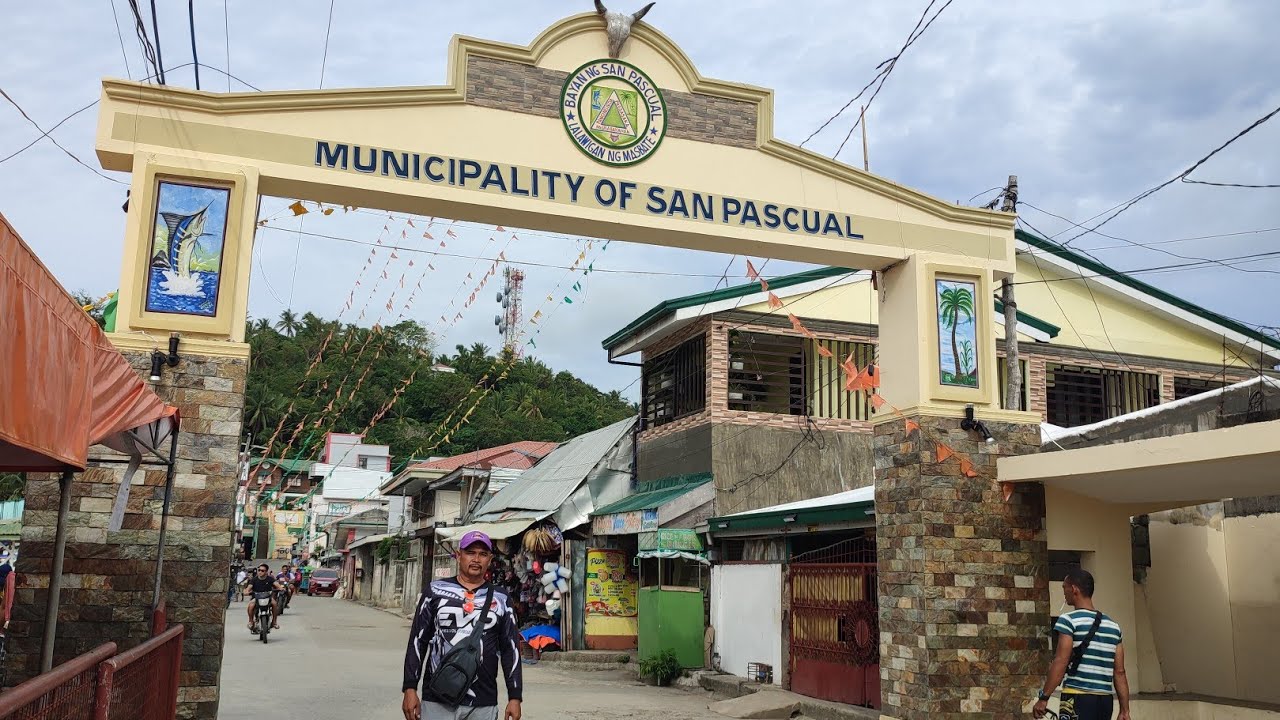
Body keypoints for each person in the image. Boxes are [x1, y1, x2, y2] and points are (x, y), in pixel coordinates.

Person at [402, 531, 522, 720]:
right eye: (470, 552)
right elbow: (418, 641)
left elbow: (510, 649)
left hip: (483, 701)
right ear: (458, 556)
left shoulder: (501, 598)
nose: (476, 559)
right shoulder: (435, 591)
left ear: (490, 559)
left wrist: (515, 697)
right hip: (437, 697)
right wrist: (410, 688)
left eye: (483, 554)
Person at [1033, 568, 1130, 720]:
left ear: (1074, 589)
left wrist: (1044, 697)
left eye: (1064, 588)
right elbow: (1119, 672)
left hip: (1077, 698)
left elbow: (1061, 661)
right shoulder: (1113, 626)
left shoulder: (1068, 620)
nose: (1064, 592)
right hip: (1104, 701)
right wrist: (1125, 710)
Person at [244, 563, 284, 631]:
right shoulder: (254, 579)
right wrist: (246, 591)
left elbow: (277, 584)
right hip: (256, 597)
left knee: (274, 604)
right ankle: (251, 621)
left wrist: (280, 588)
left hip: (268, 597)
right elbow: (249, 587)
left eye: (262, 571)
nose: (260, 572)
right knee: (250, 606)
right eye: (259, 570)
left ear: (266, 572)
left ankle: (274, 622)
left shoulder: (270, 579)